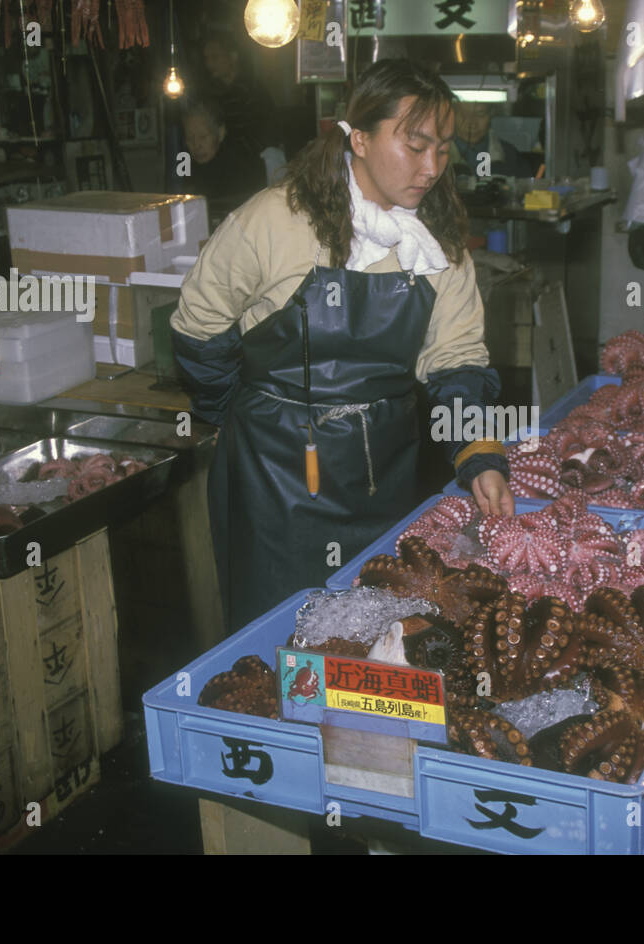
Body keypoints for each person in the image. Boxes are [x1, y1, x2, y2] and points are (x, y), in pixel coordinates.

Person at [171, 59, 515, 632]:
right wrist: (237, 414)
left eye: (444, 148)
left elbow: (456, 360)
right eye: (416, 145)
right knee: (278, 639)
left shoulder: (438, 243)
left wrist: (477, 454)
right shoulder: (276, 220)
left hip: (383, 466)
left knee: (376, 630)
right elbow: (198, 325)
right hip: (273, 475)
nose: (432, 168)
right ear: (358, 136)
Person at [179, 98, 268, 218]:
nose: (196, 145)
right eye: (190, 138)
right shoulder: (184, 160)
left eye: (203, 137)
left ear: (220, 133)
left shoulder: (239, 165)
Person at [448, 100, 531, 179]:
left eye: (480, 114)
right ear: (453, 116)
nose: (472, 124)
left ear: (491, 115)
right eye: (464, 114)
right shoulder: (438, 154)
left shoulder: (509, 155)